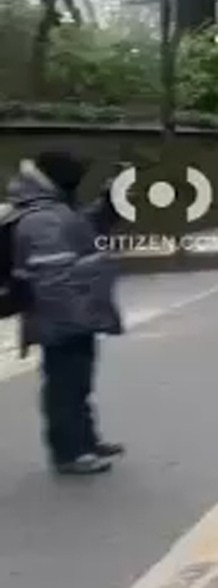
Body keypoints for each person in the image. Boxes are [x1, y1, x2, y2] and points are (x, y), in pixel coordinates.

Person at [6, 152, 126, 475]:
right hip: (60, 318)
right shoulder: (41, 218)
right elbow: (53, 278)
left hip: (73, 315)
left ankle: (86, 441)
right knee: (64, 386)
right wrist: (99, 267)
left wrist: (109, 202)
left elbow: (86, 226)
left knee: (78, 382)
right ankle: (69, 453)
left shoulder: (56, 208)